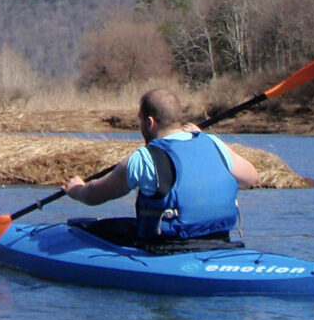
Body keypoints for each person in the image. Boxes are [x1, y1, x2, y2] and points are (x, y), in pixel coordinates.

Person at [61, 88, 259, 242]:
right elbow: (251, 178)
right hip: (219, 239)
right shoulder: (212, 142)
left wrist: (77, 189)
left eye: (139, 120)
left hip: (167, 246)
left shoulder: (144, 158)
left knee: (85, 229)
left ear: (149, 122)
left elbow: (95, 195)